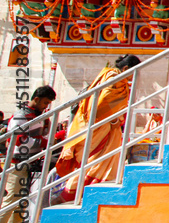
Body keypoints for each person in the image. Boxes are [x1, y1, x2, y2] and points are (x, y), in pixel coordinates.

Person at [56, 54, 140, 203]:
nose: (132, 78)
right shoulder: (115, 78)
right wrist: (116, 119)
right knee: (93, 162)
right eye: (133, 73)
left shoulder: (108, 75)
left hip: (96, 126)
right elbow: (103, 107)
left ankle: (77, 195)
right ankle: (69, 196)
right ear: (126, 68)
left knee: (92, 162)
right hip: (100, 127)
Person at [0, 85, 55, 223]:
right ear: (36, 99)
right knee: (11, 201)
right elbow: (19, 139)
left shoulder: (39, 116)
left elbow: (44, 135)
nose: (46, 106)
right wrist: (43, 142)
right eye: (45, 102)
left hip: (28, 164)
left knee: (21, 204)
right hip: (17, 164)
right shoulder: (21, 116)